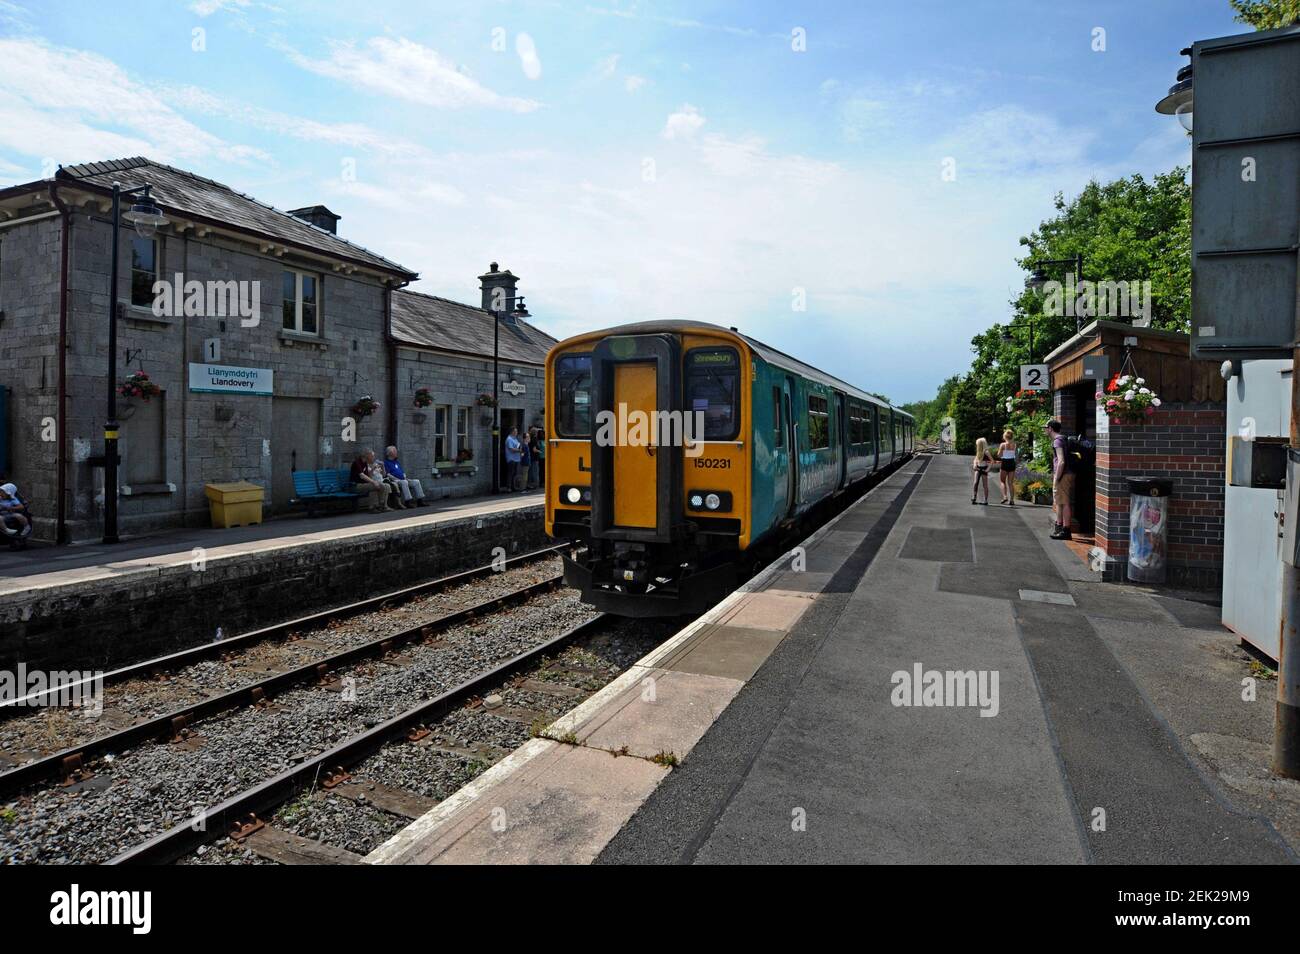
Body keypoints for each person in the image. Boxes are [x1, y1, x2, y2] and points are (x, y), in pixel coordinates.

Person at [1046, 419, 1073, 540]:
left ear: (1050, 428)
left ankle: (1066, 530)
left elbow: (1061, 461)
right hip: (1067, 473)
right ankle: (1060, 527)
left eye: (1046, 428)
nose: (1045, 430)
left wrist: (1057, 477)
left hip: (1063, 475)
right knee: (1060, 502)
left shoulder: (1057, 441)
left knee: (1065, 502)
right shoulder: (1064, 439)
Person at [349, 449, 389, 513]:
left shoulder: (365, 463)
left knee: (378, 486)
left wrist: (374, 470)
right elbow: (362, 475)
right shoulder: (357, 462)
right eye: (372, 456)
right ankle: (378, 506)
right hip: (355, 486)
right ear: (367, 455)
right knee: (376, 486)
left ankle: (376, 506)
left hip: (364, 484)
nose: (374, 457)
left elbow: (368, 476)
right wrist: (374, 482)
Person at [0, 482, 32, 548]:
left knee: (19, 516)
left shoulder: (13, 499)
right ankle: (6, 529)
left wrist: (11, 508)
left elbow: (21, 507)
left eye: (3, 492)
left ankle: (26, 527)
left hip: (11, 513)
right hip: (2, 514)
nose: (1, 493)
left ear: (9, 493)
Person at [996, 429, 1018, 506]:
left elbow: (998, 455)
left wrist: (1002, 454)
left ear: (1005, 437)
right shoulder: (1015, 445)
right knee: (1010, 483)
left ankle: (1005, 496)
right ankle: (1012, 500)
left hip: (1005, 463)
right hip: (1012, 463)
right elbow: (1016, 456)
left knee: (1002, 481)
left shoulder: (1003, 445)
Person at [971, 437, 993, 505]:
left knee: (985, 485)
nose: (977, 446)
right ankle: (974, 496)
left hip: (983, 469)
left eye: (977, 444)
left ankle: (985, 500)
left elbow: (992, 461)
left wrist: (988, 469)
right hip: (978, 468)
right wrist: (974, 464)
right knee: (975, 482)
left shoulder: (986, 452)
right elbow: (975, 459)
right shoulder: (979, 451)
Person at [504, 426, 522, 492]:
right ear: (512, 432)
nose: (516, 432)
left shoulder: (515, 439)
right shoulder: (509, 439)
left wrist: (520, 448)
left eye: (516, 431)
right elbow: (511, 449)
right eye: (515, 431)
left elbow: (518, 445)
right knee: (510, 473)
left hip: (516, 459)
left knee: (514, 474)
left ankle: (513, 487)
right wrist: (519, 450)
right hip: (511, 459)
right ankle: (508, 487)